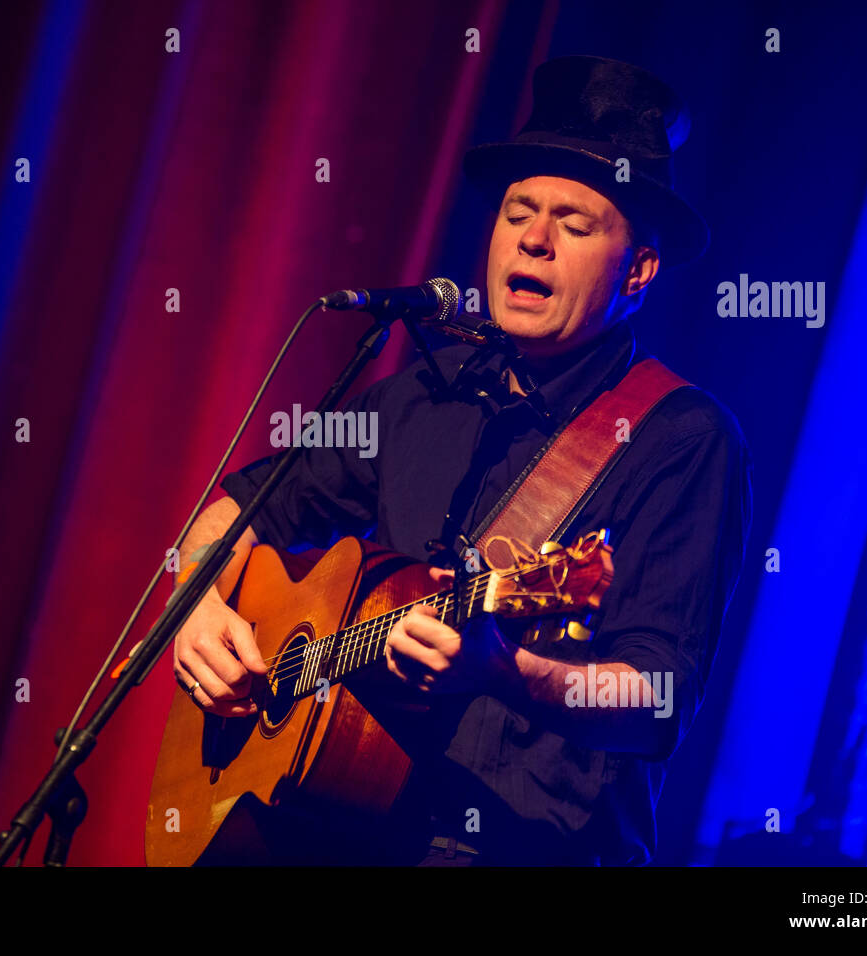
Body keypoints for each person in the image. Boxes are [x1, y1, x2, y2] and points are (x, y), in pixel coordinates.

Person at [171, 55, 752, 865]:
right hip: (334, 829)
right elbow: (235, 512)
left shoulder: (682, 439)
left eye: (576, 226)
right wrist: (196, 602)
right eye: (519, 211)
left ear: (639, 272)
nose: (535, 240)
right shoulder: (424, 394)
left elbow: (660, 698)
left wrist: (506, 671)